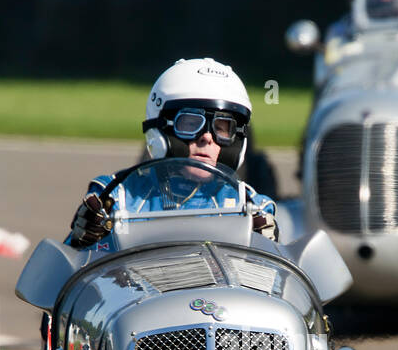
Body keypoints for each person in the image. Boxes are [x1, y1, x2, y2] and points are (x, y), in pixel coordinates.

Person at [68, 58, 278, 248]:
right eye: (191, 123)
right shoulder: (115, 197)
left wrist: (264, 245)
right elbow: (70, 266)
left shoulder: (251, 207)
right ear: (160, 127)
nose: (207, 137)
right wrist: (84, 240)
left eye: (222, 128)